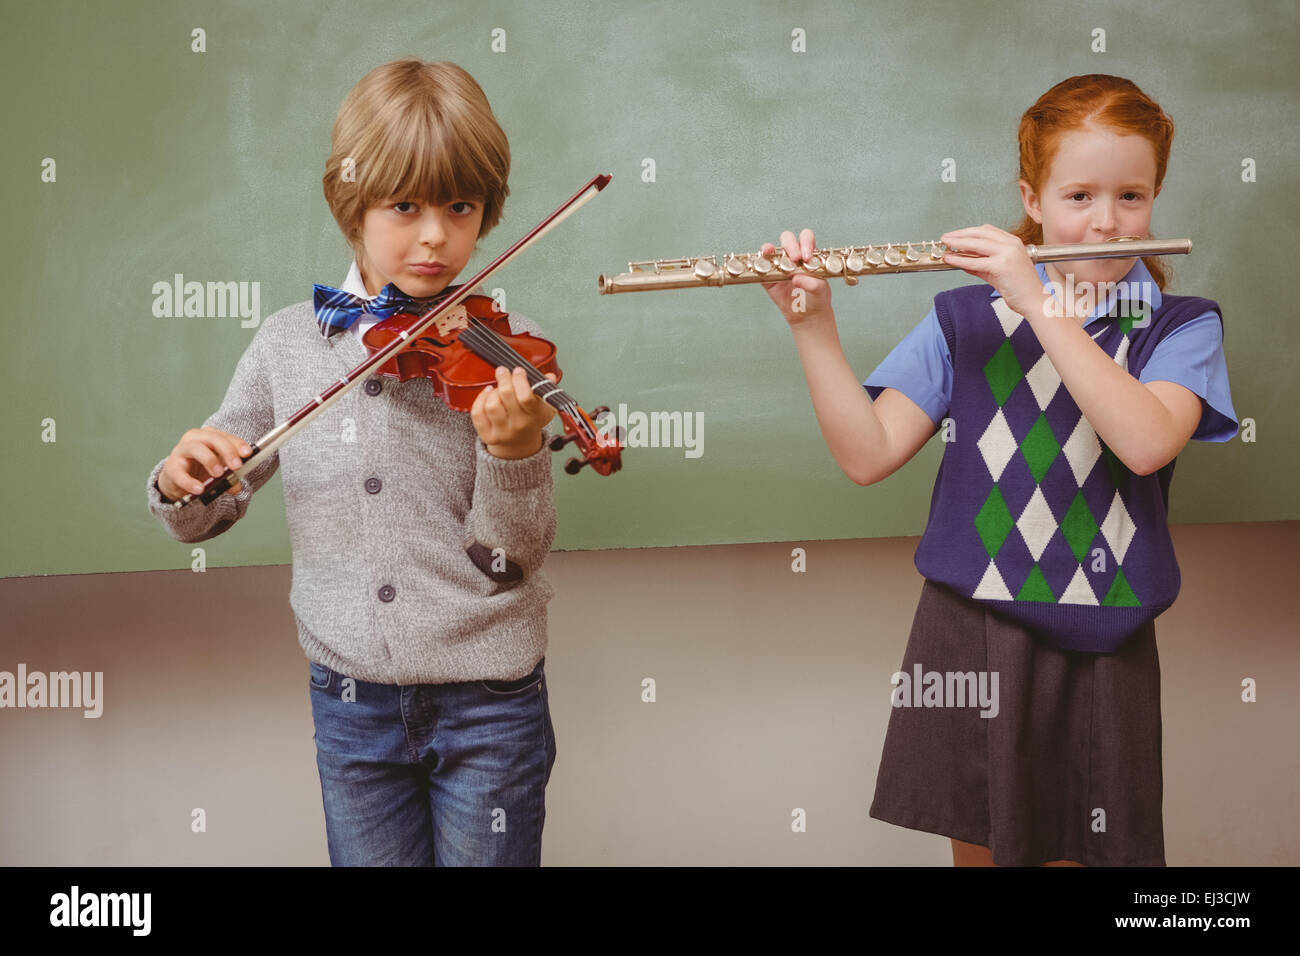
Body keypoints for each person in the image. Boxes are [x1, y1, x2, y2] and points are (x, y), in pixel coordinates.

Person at [761, 74, 1237, 866]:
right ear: (1033, 198)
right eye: (1079, 195)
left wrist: (1041, 303)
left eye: (1131, 196)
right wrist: (813, 325)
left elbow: (1145, 442)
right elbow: (867, 455)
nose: (1105, 222)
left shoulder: (1182, 328)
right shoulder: (964, 319)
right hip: (972, 628)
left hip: (1101, 632)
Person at [146, 59, 561, 866]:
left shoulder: (504, 350)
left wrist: (513, 456)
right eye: (405, 206)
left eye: (460, 206)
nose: (435, 234)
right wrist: (178, 482)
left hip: (490, 703)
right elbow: (204, 512)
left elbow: (511, 561)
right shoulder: (286, 345)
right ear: (352, 201)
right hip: (350, 706)